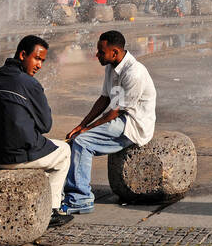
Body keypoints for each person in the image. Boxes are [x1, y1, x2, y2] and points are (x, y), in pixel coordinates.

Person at [0, 34, 73, 227]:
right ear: (23, 55)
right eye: (37, 59)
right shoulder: (29, 83)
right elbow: (46, 126)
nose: (39, 65)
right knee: (64, 151)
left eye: (42, 61)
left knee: (46, 149)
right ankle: (52, 210)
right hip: (17, 156)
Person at [60, 30, 157, 216]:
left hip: (133, 124)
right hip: (120, 117)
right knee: (77, 139)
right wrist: (81, 126)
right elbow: (104, 99)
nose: (97, 55)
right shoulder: (111, 66)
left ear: (114, 52)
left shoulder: (134, 73)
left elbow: (114, 112)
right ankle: (71, 190)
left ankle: (81, 199)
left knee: (82, 143)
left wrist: (86, 131)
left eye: (100, 52)